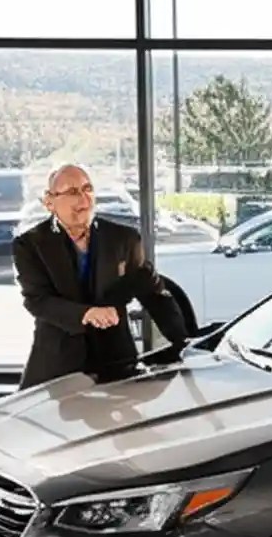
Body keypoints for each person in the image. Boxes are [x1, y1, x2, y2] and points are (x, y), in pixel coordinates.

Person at [13, 164, 190, 389]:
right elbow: (37, 300)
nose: (83, 198)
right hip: (57, 362)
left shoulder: (123, 238)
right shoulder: (30, 245)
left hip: (116, 359)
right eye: (73, 192)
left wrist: (183, 344)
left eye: (88, 188)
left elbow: (154, 294)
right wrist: (86, 314)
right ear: (50, 202)